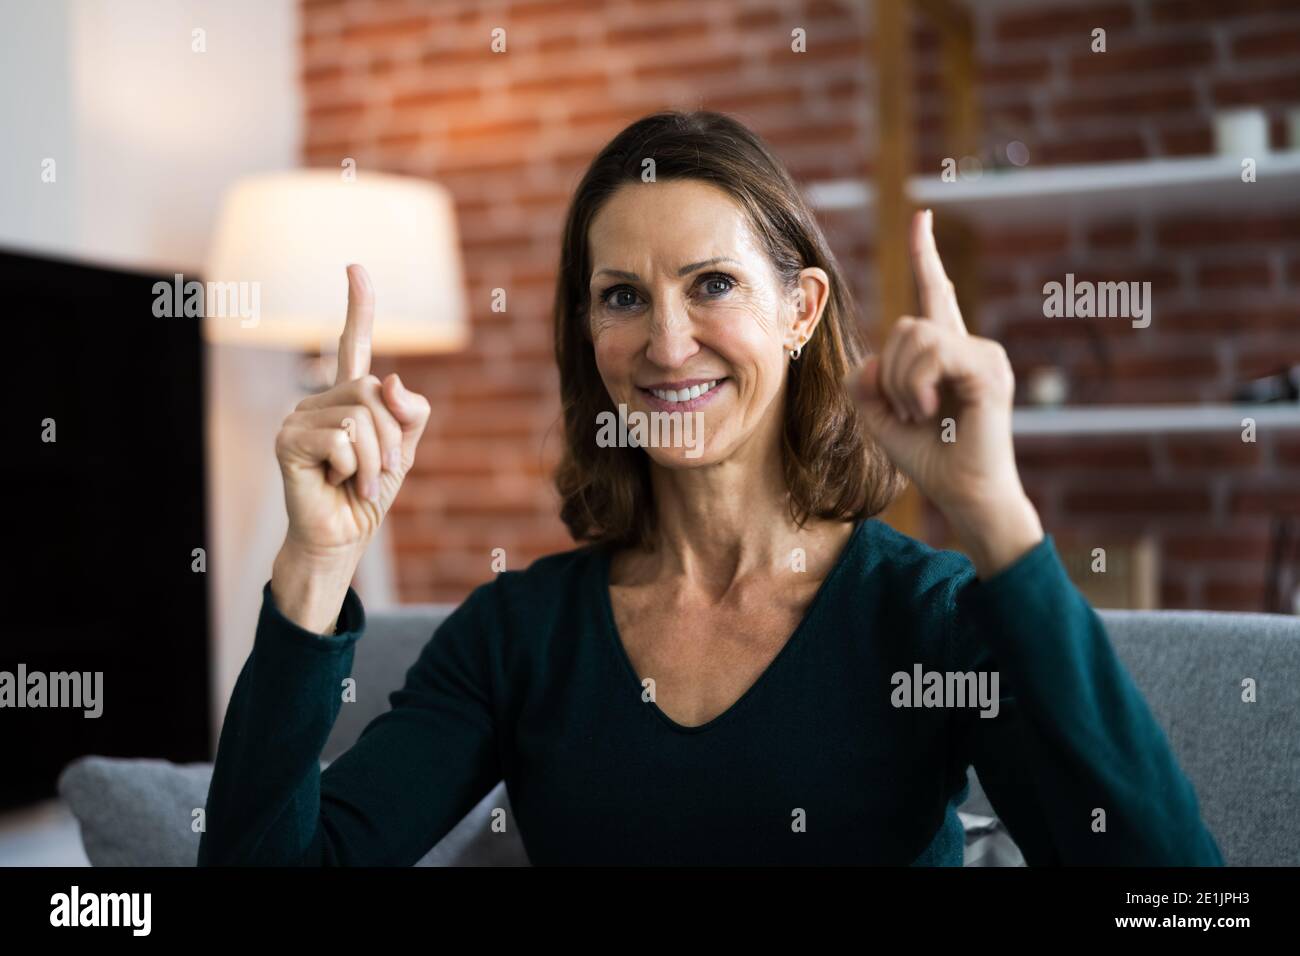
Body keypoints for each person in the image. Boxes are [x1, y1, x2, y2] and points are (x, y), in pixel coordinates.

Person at [197, 110, 1223, 866]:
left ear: (800, 307)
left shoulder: (928, 617)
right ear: (588, 336)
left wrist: (997, 514)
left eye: (713, 283)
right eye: (622, 297)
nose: (666, 340)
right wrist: (316, 561)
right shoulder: (517, 635)